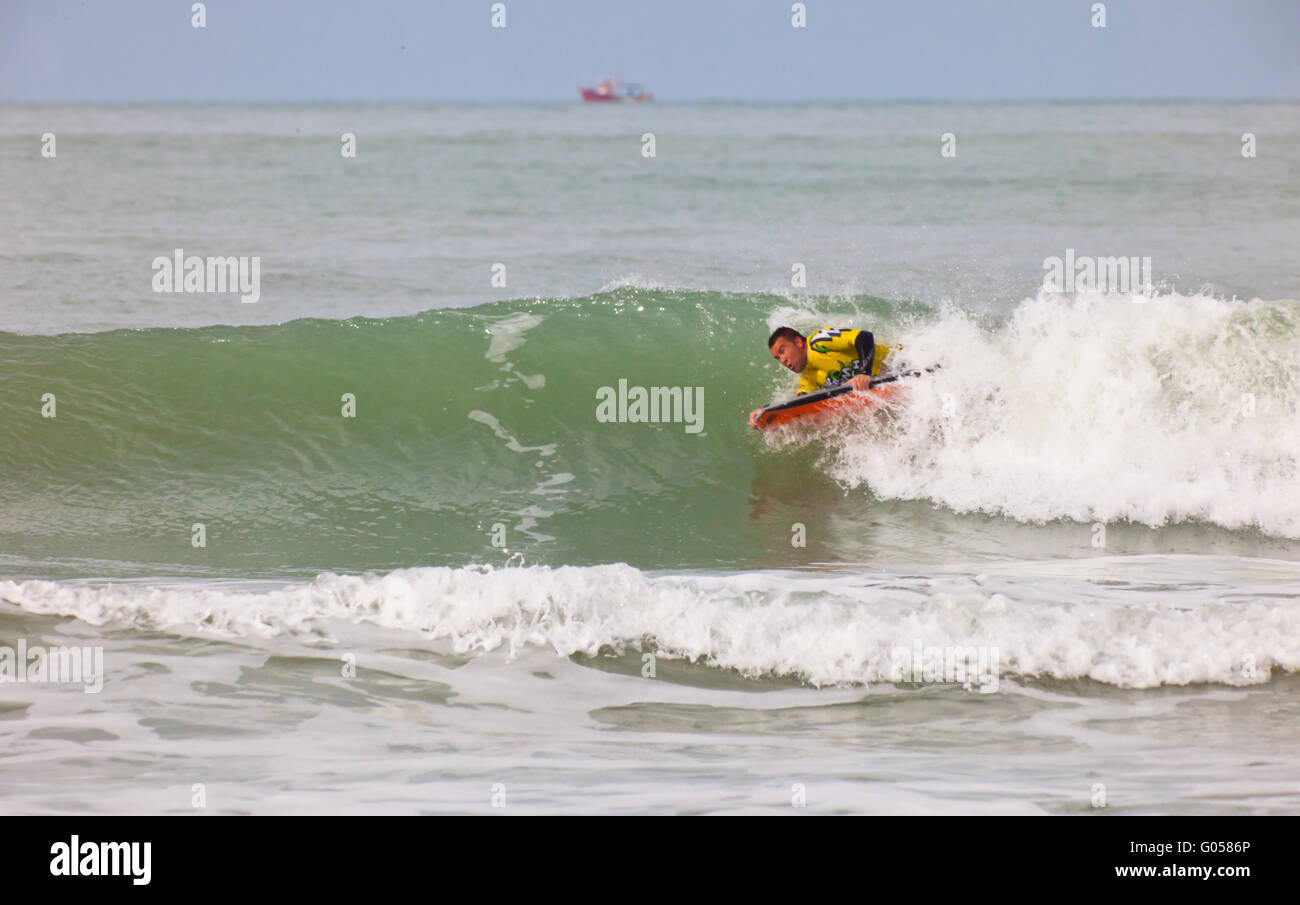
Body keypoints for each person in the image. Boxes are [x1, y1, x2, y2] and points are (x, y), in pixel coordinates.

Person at [748, 326, 897, 428]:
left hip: (901, 362)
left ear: (798, 342)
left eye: (783, 351)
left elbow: (864, 337)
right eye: (778, 358)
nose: (783, 360)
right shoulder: (808, 378)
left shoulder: (819, 341)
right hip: (886, 384)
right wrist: (765, 412)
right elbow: (798, 406)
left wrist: (864, 373)